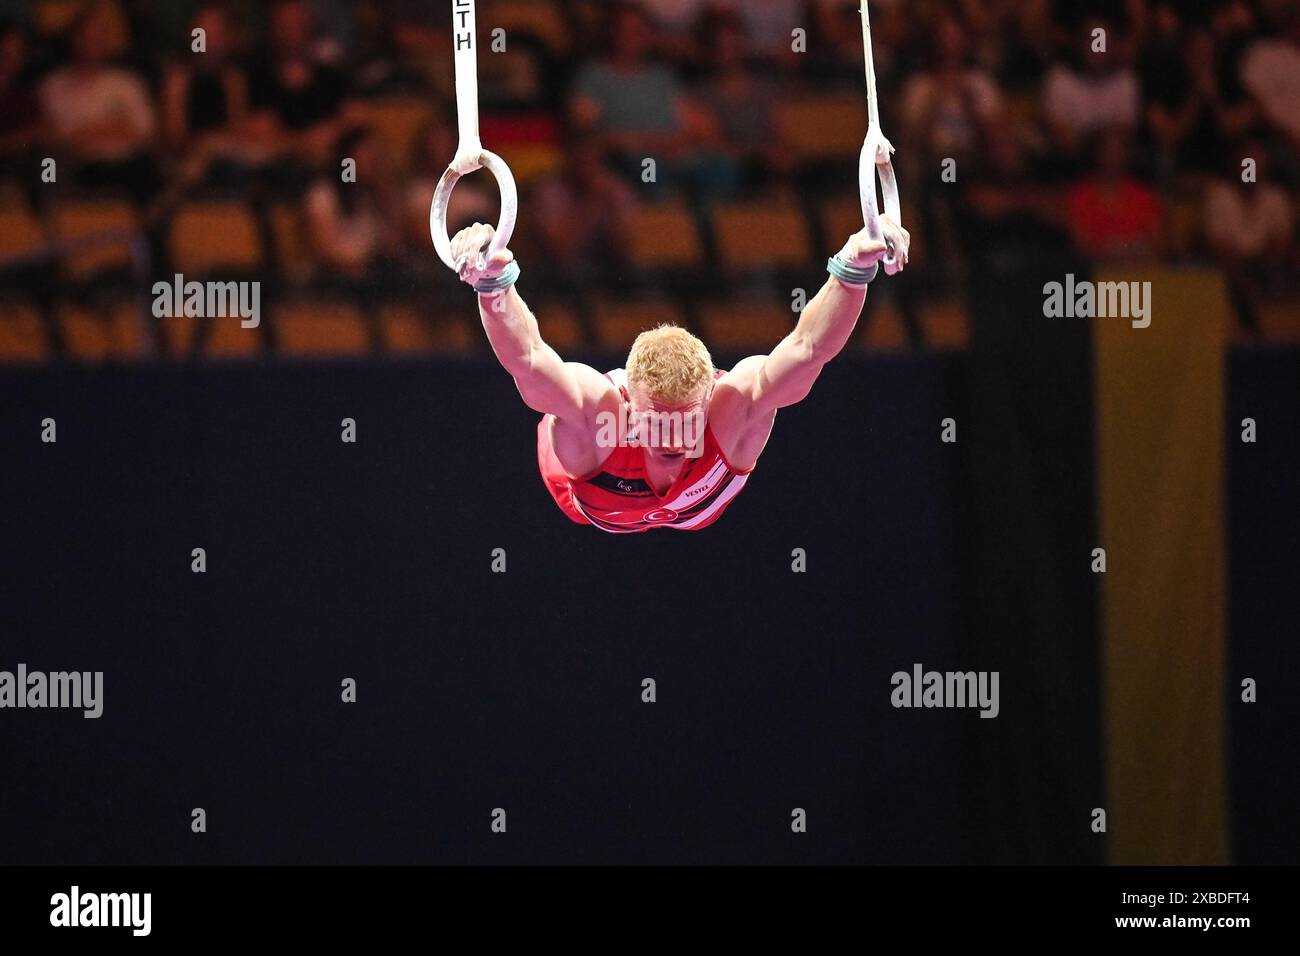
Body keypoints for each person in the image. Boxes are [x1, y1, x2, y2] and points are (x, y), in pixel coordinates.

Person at [443, 215, 910, 532]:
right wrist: (493, 284)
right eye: (655, 418)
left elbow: (810, 349)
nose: (670, 435)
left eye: (684, 416)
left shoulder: (733, 408)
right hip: (583, 492)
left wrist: (852, 268)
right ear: (629, 404)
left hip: (681, 500)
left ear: (707, 398)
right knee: (556, 397)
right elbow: (527, 358)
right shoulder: (599, 418)